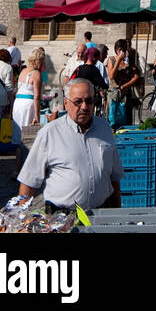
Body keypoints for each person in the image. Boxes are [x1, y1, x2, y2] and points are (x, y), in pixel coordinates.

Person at [16, 78, 124, 212]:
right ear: (66, 104)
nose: (84, 107)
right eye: (78, 102)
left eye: (89, 101)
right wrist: (21, 218)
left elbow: (114, 178)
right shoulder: (49, 134)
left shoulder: (104, 128)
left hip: (101, 214)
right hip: (62, 218)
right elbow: (29, 181)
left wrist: (118, 213)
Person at [106, 40, 143, 128]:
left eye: (125, 49)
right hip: (114, 95)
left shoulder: (128, 61)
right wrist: (118, 61)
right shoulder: (111, 59)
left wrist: (125, 85)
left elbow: (136, 76)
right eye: (122, 50)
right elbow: (111, 76)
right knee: (113, 119)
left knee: (126, 119)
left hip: (126, 94)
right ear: (117, 50)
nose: (124, 52)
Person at [12, 51, 43, 142]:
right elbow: (37, 96)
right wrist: (37, 115)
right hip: (28, 105)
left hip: (18, 103)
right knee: (28, 135)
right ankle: (26, 155)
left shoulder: (23, 71)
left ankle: (18, 154)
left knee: (18, 134)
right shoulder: (36, 73)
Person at [72, 47, 109, 114]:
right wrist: (107, 87)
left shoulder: (79, 68)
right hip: (90, 98)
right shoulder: (94, 69)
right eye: (97, 58)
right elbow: (102, 84)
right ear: (94, 57)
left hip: (79, 96)